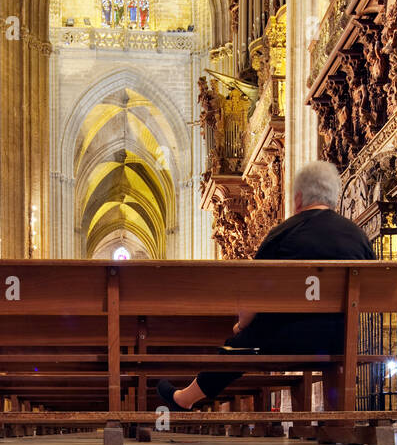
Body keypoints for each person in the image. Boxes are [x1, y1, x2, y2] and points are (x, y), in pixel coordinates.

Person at [156, 160, 374, 411]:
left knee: (236, 346)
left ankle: (184, 398)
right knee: (258, 336)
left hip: (284, 340)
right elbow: (367, 294)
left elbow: (253, 296)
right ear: (333, 197)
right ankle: (340, 417)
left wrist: (242, 325)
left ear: (299, 198)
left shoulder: (282, 235)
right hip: (340, 339)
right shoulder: (358, 236)